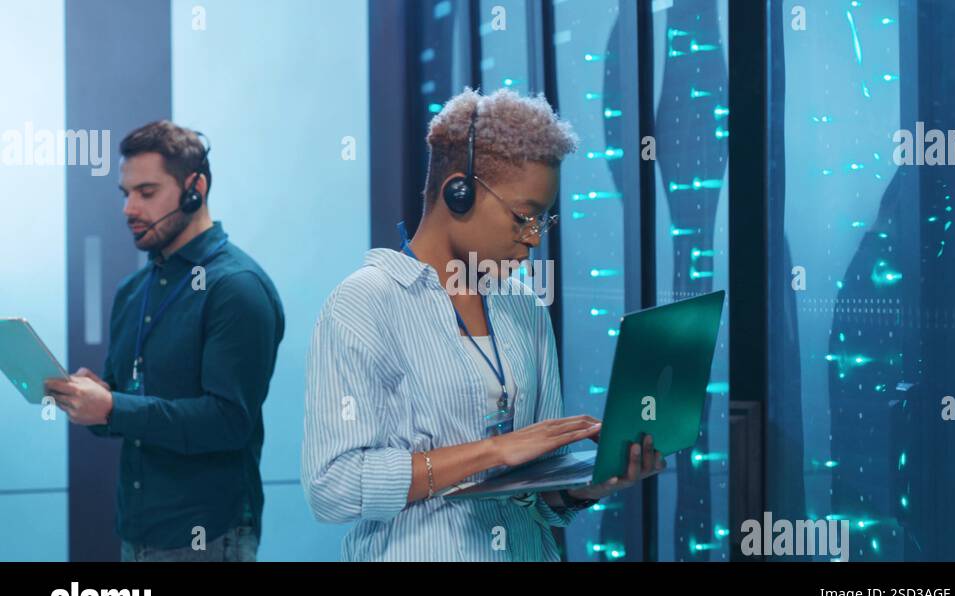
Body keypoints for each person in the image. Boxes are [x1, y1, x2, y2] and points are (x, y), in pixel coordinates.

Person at [302, 88, 664, 561]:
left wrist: (589, 486)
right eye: (523, 216)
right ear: (459, 192)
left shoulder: (523, 305)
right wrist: (493, 452)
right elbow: (332, 488)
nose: (533, 239)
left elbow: (536, 494)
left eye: (542, 220)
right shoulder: (364, 304)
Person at [45, 120, 285, 562]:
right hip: (138, 534)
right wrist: (95, 401)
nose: (129, 208)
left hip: (209, 536)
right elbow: (125, 409)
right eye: (126, 194)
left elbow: (228, 421)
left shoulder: (236, 288)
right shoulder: (133, 291)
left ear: (196, 188)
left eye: (147, 192)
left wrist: (115, 406)